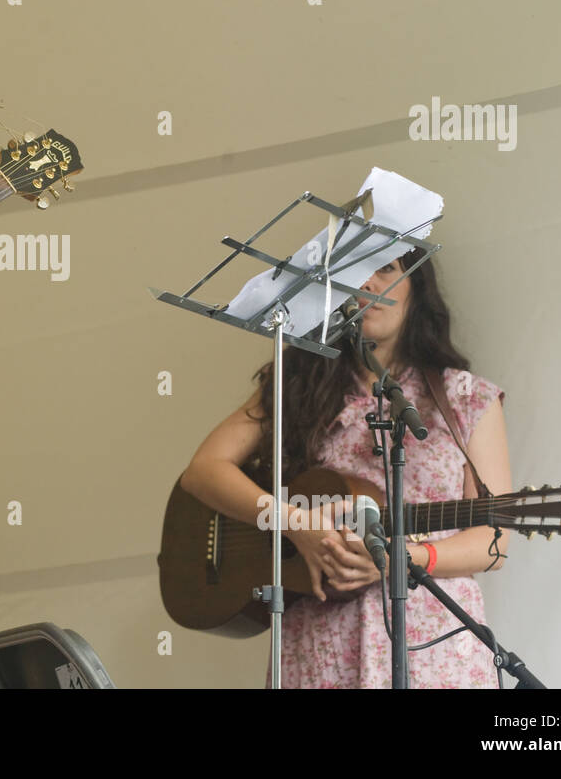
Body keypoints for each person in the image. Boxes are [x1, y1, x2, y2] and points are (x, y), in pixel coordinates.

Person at [179, 249, 512, 688]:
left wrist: (399, 559)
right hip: (320, 644)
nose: (367, 284)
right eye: (353, 271)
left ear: (417, 289)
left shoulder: (465, 398)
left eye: (385, 269)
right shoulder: (298, 387)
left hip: (434, 645)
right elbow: (203, 471)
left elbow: (495, 540)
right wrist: (297, 524)